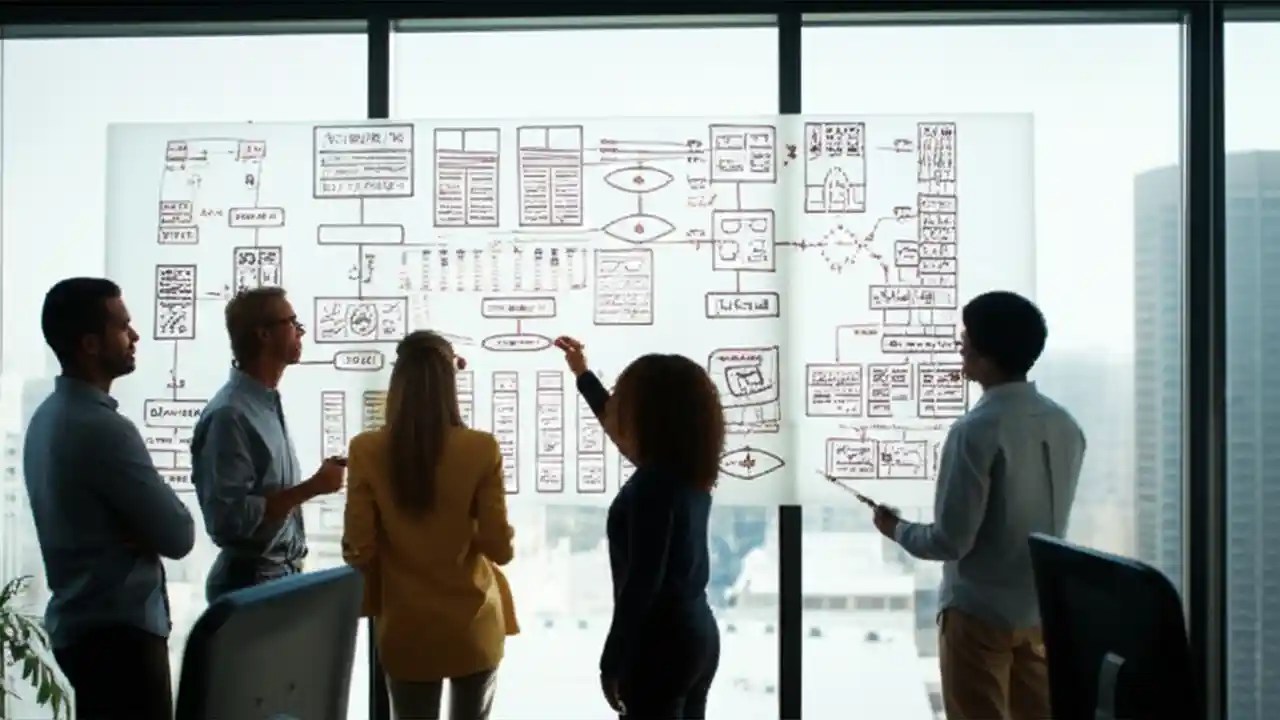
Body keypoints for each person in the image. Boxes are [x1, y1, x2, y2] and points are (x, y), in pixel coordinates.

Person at [872, 290, 1086, 720]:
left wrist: (894, 528)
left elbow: (950, 541)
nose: (960, 345)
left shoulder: (975, 430)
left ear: (985, 352)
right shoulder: (1066, 425)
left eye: (966, 337)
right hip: (1036, 613)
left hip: (978, 615)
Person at [24, 277, 195, 720]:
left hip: (84, 634)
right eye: (123, 326)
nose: (135, 336)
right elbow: (177, 534)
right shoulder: (103, 430)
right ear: (90, 345)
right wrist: (138, 528)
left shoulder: (48, 419)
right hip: (121, 641)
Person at [343, 330, 517, 720]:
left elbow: (360, 547)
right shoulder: (481, 448)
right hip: (473, 624)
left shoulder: (366, 450)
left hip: (406, 629)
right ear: (449, 382)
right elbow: (499, 549)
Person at [554, 335, 723, 719]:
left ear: (649, 415)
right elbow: (616, 428)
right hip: (697, 633)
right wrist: (583, 375)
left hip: (659, 644)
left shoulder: (653, 485)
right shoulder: (686, 472)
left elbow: (643, 581)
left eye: (623, 399)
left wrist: (612, 661)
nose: (616, 406)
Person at [191, 286, 344, 601]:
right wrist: (312, 487)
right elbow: (228, 521)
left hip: (276, 580)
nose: (300, 331)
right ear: (263, 334)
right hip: (250, 587)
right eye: (292, 322)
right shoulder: (230, 415)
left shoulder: (265, 404)